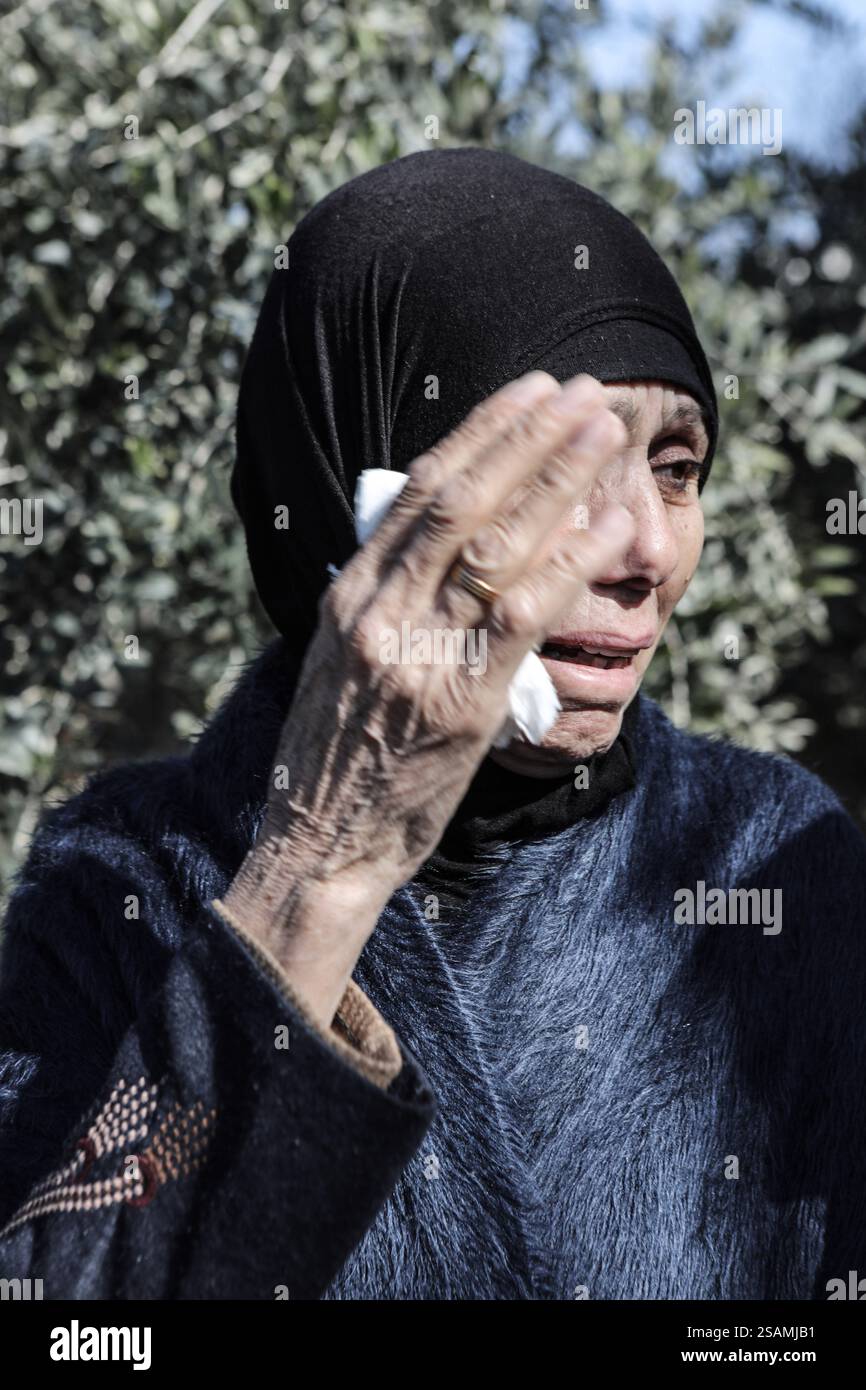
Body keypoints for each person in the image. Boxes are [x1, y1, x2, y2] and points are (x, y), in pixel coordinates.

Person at [1, 148, 864, 1301]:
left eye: (673, 466)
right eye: (565, 468)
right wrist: (317, 866)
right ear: (351, 490)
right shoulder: (121, 881)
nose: (648, 553)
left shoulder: (769, 865)